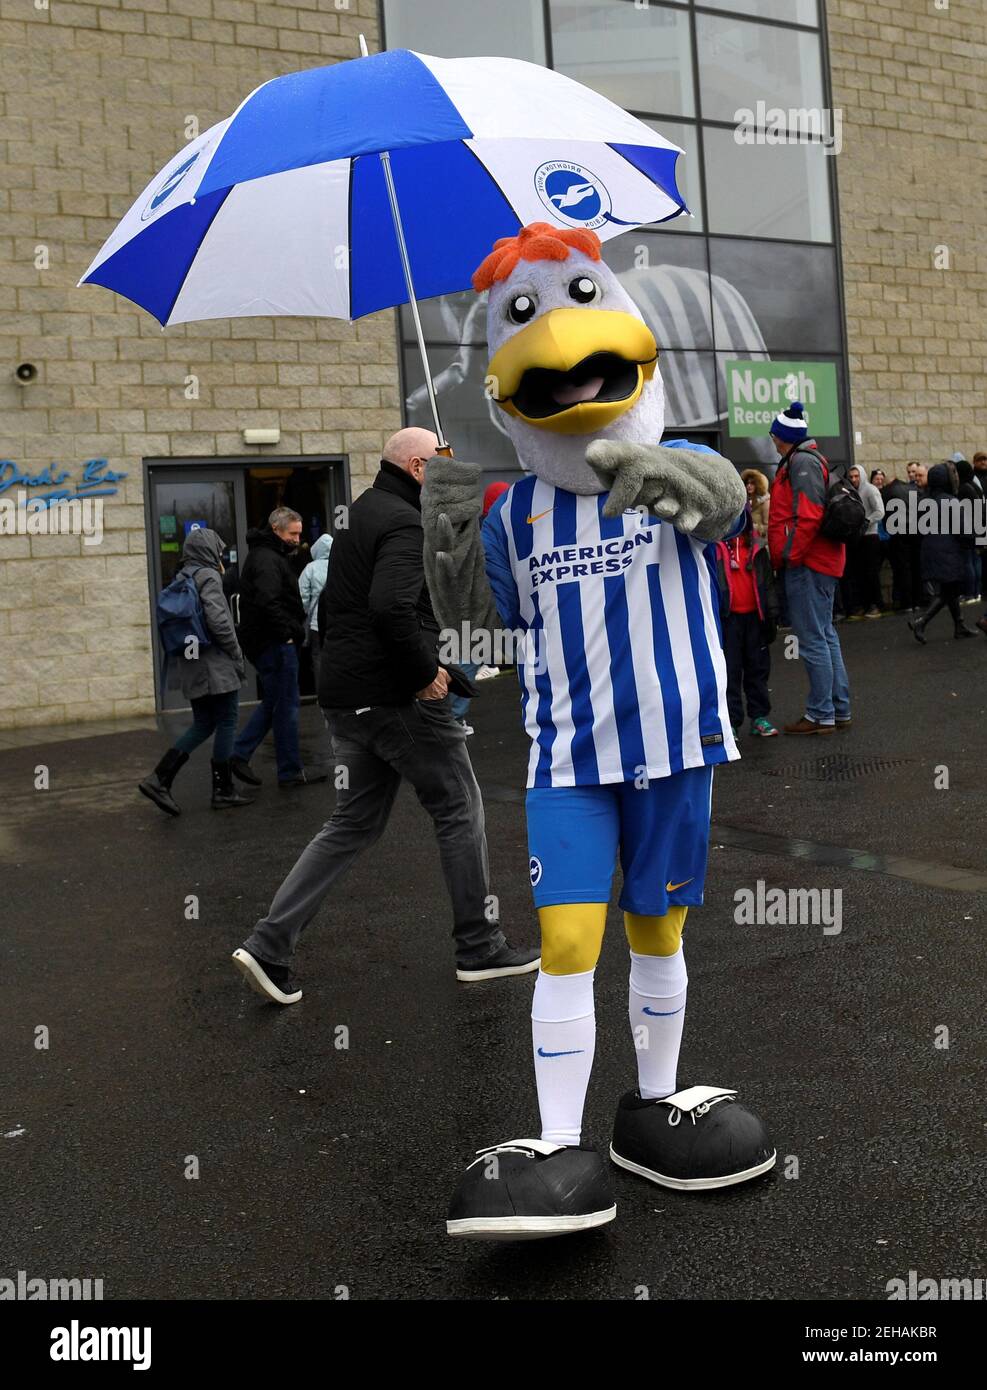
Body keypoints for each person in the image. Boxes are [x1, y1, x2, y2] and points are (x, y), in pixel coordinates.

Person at [231, 427, 539, 1005]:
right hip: (394, 697)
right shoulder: (402, 520)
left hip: (349, 696)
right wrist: (426, 674)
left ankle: (270, 945)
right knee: (459, 806)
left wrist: (448, 663)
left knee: (353, 822)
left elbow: (375, 607)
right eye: (443, 460)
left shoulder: (366, 512)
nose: (452, 467)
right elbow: (390, 607)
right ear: (418, 466)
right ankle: (479, 946)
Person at [139, 528, 252, 815]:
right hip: (214, 662)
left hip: (191, 661)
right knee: (227, 719)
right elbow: (219, 621)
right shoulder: (208, 576)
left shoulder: (182, 577)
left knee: (203, 723)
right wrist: (236, 653)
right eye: (218, 549)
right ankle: (223, 791)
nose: (221, 554)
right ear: (209, 551)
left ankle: (159, 779)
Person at [767, 402, 850, 734]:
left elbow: (810, 515)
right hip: (822, 561)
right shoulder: (809, 459)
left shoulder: (800, 463)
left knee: (813, 639)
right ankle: (838, 709)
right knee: (826, 635)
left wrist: (791, 557)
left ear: (782, 436)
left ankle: (820, 714)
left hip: (809, 564)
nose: (772, 440)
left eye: (774, 435)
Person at [229, 506, 326, 789]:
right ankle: (288, 771)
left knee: (276, 702)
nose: (298, 539)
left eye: (299, 533)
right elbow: (268, 602)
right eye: (293, 533)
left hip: (271, 642)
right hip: (275, 643)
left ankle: (240, 754)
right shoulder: (267, 559)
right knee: (286, 706)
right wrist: (288, 633)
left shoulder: (268, 556)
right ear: (276, 530)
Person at [715, 507, 779, 737]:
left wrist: (772, 613)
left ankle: (760, 716)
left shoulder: (758, 547)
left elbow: (768, 583)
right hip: (729, 620)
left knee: (758, 669)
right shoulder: (715, 547)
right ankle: (731, 721)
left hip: (756, 618)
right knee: (730, 671)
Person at [908, 463, 978, 643]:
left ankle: (959, 625)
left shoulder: (925, 500)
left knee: (950, 589)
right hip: (948, 551)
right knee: (947, 592)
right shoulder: (951, 502)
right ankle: (921, 622)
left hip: (931, 549)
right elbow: (963, 530)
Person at [846, 464, 885, 618]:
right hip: (858, 537)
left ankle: (876, 605)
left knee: (871, 573)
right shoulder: (852, 492)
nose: (854, 479)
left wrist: (866, 521)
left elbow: (880, 511)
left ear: (861, 475)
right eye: (851, 477)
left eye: (856, 476)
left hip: (870, 537)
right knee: (860, 573)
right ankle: (865, 604)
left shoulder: (870, 490)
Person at [299, 532, 334, 689]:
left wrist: (305, 611)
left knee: (318, 656)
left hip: (316, 623)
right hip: (337, 620)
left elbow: (302, 595)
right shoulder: (340, 565)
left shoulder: (310, 569)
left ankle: (322, 693)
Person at [880, 470, 912, 611]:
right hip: (912, 531)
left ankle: (904, 601)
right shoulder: (908, 488)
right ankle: (913, 600)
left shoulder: (886, 492)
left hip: (896, 534)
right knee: (910, 567)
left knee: (900, 569)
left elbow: (884, 514)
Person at [954, 460, 981, 603]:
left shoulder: (964, 488)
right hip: (976, 528)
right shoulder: (974, 485)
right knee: (975, 560)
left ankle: (970, 593)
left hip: (967, 530)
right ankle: (976, 592)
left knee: (968, 561)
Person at [741, 468, 770, 536]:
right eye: (747, 483)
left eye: (752, 483)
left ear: (758, 484)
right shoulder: (744, 502)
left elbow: (768, 527)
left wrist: (753, 527)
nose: (749, 486)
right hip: (746, 541)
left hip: (760, 543)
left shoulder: (765, 502)